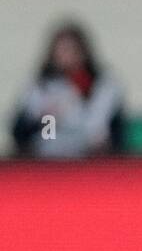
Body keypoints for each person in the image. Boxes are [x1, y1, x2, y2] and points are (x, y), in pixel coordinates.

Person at [11, 22, 126, 158]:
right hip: (47, 160)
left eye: (71, 49)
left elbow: (108, 132)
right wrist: (46, 119)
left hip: (92, 159)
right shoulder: (40, 86)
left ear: (83, 51)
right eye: (61, 50)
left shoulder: (103, 85)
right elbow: (22, 132)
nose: (66, 56)